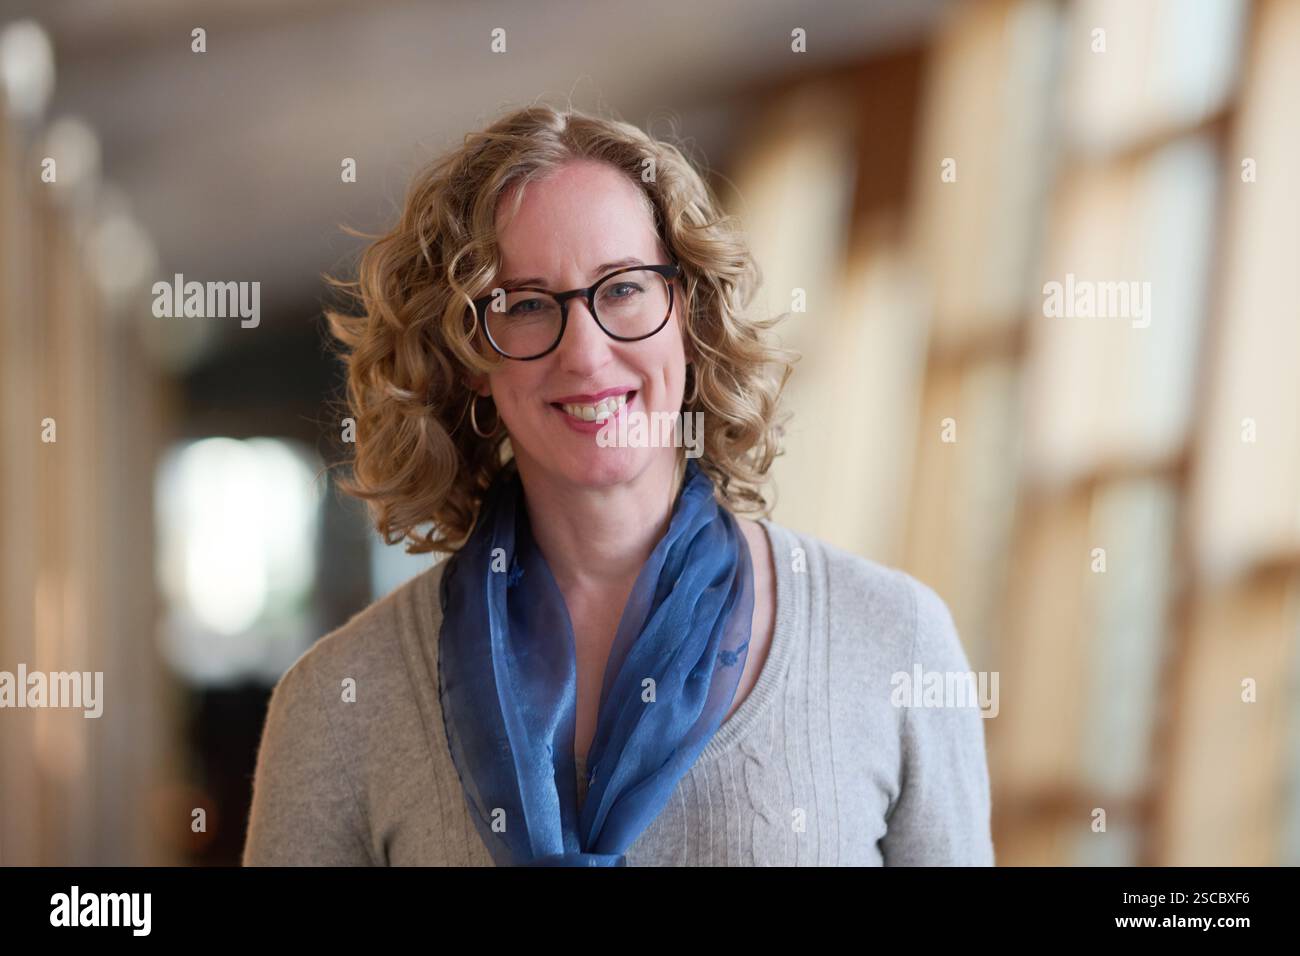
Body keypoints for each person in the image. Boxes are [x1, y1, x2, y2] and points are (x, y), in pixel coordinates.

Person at [241, 103, 994, 866]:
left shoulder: (895, 639)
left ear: (688, 312)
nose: (586, 354)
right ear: (469, 355)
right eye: (525, 304)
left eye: (624, 288)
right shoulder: (338, 699)